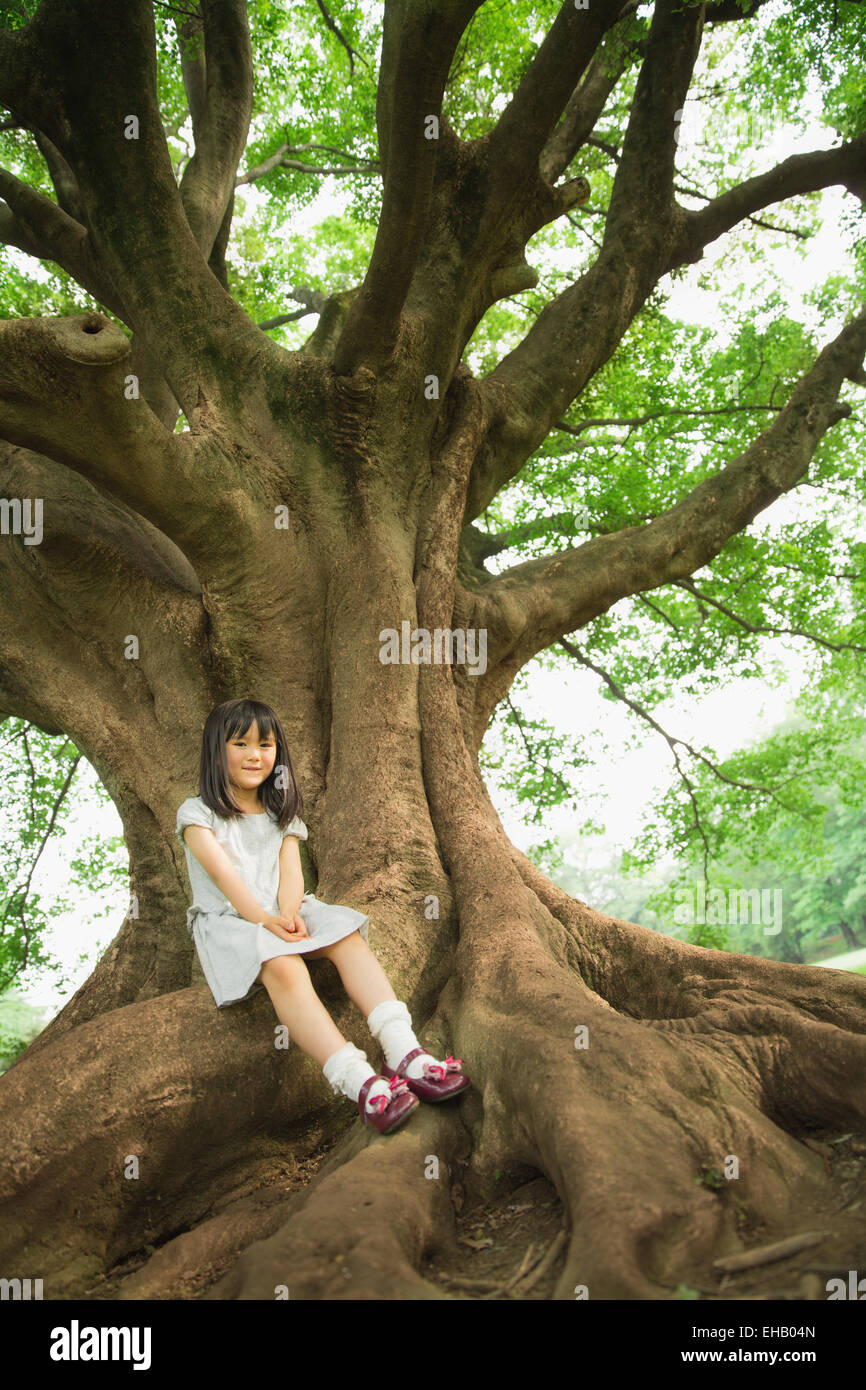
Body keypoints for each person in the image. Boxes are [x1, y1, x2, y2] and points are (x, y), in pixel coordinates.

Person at [175, 697, 470, 1135]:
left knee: (346, 934)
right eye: (240, 744)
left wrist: (290, 913)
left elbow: (291, 874)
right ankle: (359, 1080)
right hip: (232, 921)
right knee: (284, 966)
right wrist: (264, 921)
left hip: (283, 911)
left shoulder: (280, 814)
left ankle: (404, 1050)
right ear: (216, 752)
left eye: (266, 745)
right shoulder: (197, 813)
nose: (255, 755)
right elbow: (222, 875)